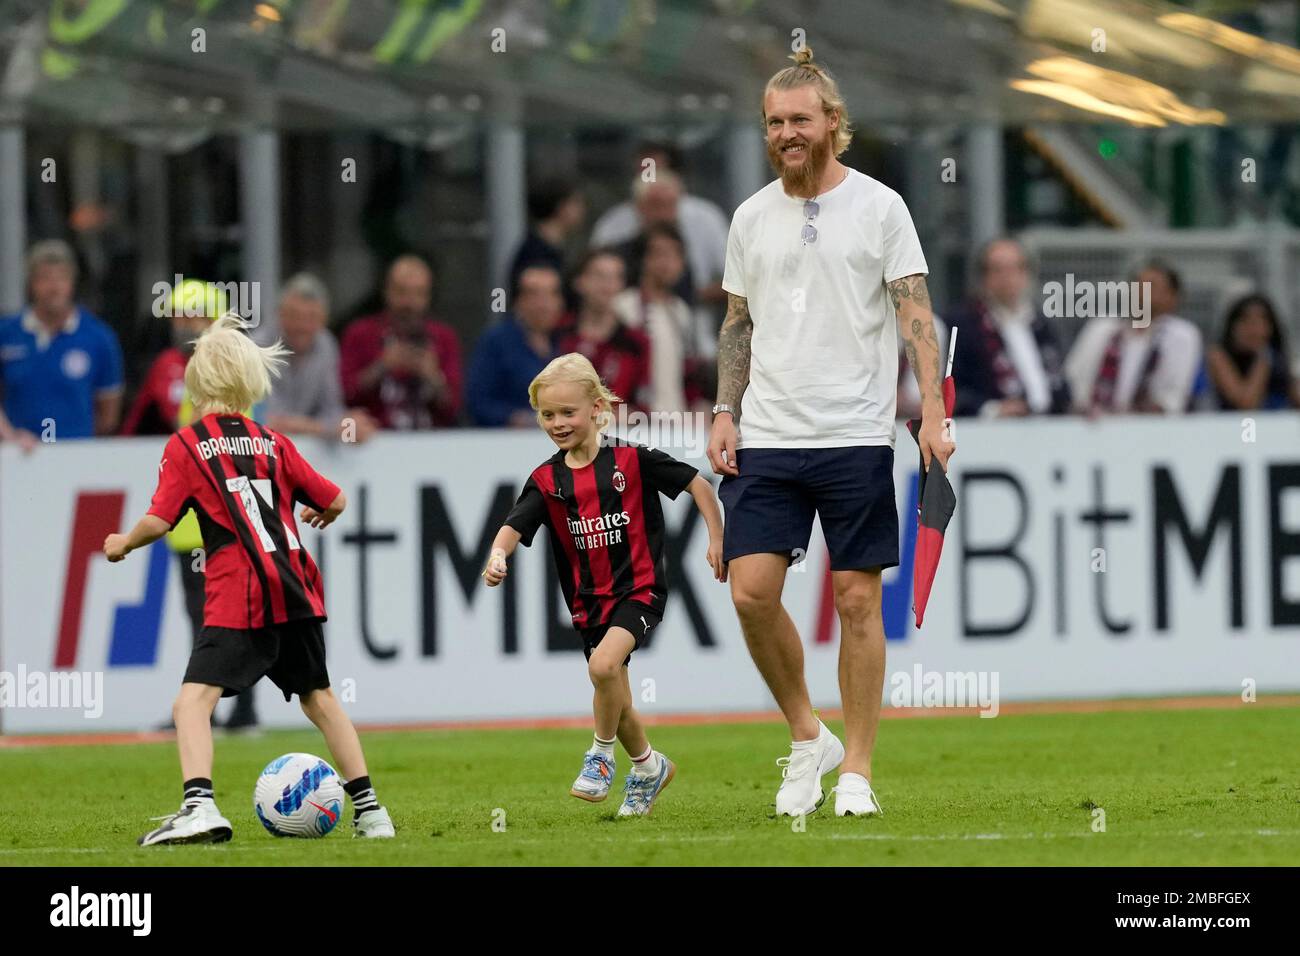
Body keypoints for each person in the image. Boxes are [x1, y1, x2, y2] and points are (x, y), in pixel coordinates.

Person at [707, 47, 952, 818]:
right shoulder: (749, 216)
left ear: (832, 124)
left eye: (800, 120)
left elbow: (916, 313)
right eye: (775, 122)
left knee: (855, 601)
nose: (787, 132)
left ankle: (857, 772)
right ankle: (806, 733)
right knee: (750, 594)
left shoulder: (880, 208)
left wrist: (934, 413)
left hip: (854, 433)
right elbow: (737, 325)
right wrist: (723, 409)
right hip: (769, 433)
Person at [102, 313, 395, 844]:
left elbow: (160, 520)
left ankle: (199, 806)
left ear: (197, 380)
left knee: (192, 702)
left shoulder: (187, 445)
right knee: (320, 699)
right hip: (296, 588)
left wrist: (123, 542)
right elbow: (334, 497)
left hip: (242, 590)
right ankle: (373, 814)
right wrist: (324, 514)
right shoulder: (273, 442)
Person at [482, 353, 725, 816]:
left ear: (596, 407)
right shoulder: (546, 479)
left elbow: (698, 484)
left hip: (640, 591)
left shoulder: (632, 459)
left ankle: (599, 755)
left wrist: (715, 537)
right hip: (586, 603)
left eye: (567, 412)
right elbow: (512, 527)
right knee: (619, 697)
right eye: (547, 414)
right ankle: (650, 768)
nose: (557, 423)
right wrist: (497, 557)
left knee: (602, 668)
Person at [123, 279, 263, 733]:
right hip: (193, 524)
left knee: (233, 614)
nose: (185, 327)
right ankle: (215, 708)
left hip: (218, 520)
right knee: (205, 618)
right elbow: (141, 421)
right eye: (181, 318)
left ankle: (234, 708)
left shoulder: (228, 377)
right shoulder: (177, 369)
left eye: (194, 317)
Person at [0, 239, 124, 447]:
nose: (54, 287)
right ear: (31, 284)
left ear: (72, 283)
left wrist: (76, 441)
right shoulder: (7, 333)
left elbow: (108, 416)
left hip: (77, 459)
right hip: (18, 456)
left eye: (61, 278)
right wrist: (9, 435)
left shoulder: (98, 337)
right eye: (45, 278)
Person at [947, 237, 1071, 417]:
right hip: (990, 436)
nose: (1008, 278)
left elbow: (1059, 380)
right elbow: (951, 388)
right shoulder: (962, 326)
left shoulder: (1042, 325)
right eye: (998, 270)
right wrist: (994, 409)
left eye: (1015, 268)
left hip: (1048, 430)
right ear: (983, 277)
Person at [1064, 260, 1203, 415]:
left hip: (1150, 428)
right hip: (1093, 425)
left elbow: (1174, 396)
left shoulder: (1182, 335)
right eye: (1136, 283)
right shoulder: (1101, 328)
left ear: (1172, 297)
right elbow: (1073, 378)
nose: (1140, 290)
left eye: (1151, 285)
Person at [340, 255, 462, 429]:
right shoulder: (360, 333)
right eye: (402, 292)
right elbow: (343, 396)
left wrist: (433, 377)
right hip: (373, 441)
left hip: (432, 442)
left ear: (428, 297)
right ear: (387, 292)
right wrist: (381, 367)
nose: (409, 303)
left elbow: (455, 408)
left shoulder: (444, 337)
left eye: (418, 293)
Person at [265, 274, 378, 442]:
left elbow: (332, 408)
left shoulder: (326, 345)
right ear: (280, 315)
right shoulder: (258, 347)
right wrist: (334, 429)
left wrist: (347, 428)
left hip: (306, 451)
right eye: (295, 316)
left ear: (323, 320)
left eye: (311, 318)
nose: (302, 326)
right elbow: (267, 422)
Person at [613, 224, 702, 414]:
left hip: (677, 422)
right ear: (642, 260)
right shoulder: (624, 305)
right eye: (659, 254)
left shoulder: (680, 310)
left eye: (676, 255)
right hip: (636, 423)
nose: (668, 263)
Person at [465, 264, 565, 427]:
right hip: (507, 444)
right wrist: (514, 418)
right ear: (518, 300)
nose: (543, 304)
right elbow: (478, 402)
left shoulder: (568, 343)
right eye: (534, 295)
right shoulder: (496, 342)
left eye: (551, 294)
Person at [556, 248, 652, 413]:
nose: (607, 285)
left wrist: (624, 415)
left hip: (617, 434)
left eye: (615, 277)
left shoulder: (636, 342)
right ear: (579, 282)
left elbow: (644, 402)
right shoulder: (559, 334)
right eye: (599, 276)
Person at [1206, 293, 1300, 410]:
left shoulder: (1278, 356)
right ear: (1233, 325)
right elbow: (1246, 404)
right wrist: (1263, 359)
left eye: (1261, 321)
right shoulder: (1218, 355)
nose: (1254, 329)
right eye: (1246, 321)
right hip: (1236, 425)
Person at [507, 177, 585, 297]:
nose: (582, 210)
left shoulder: (551, 247)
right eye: (576, 203)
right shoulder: (536, 254)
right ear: (561, 207)